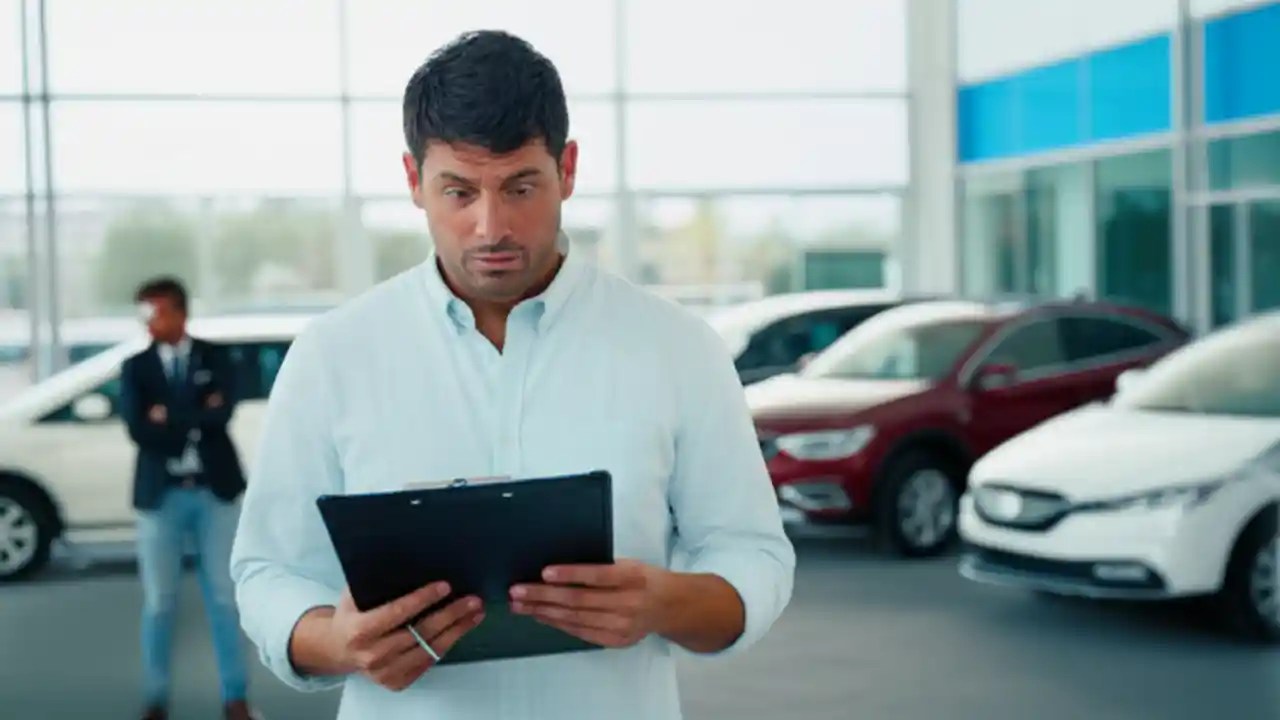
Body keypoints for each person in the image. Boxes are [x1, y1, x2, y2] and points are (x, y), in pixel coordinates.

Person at [230, 30, 795, 719]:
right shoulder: (332, 356)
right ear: (413, 180)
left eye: (520, 187)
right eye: (459, 192)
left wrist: (666, 602)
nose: (490, 226)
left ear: (569, 169)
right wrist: (334, 641)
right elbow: (268, 572)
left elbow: (753, 554)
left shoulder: (677, 348)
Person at [121, 277, 257, 720]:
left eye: (155, 312)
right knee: (160, 601)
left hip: (213, 493)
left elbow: (224, 411)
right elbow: (138, 429)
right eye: (143, 314)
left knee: (223, 597)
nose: (148, 322)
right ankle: (155, 700)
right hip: (161, 498)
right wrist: (196, 413)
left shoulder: (215, 356)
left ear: (179, 313)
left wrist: (168, 415)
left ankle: (235, 698)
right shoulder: (136, 368)